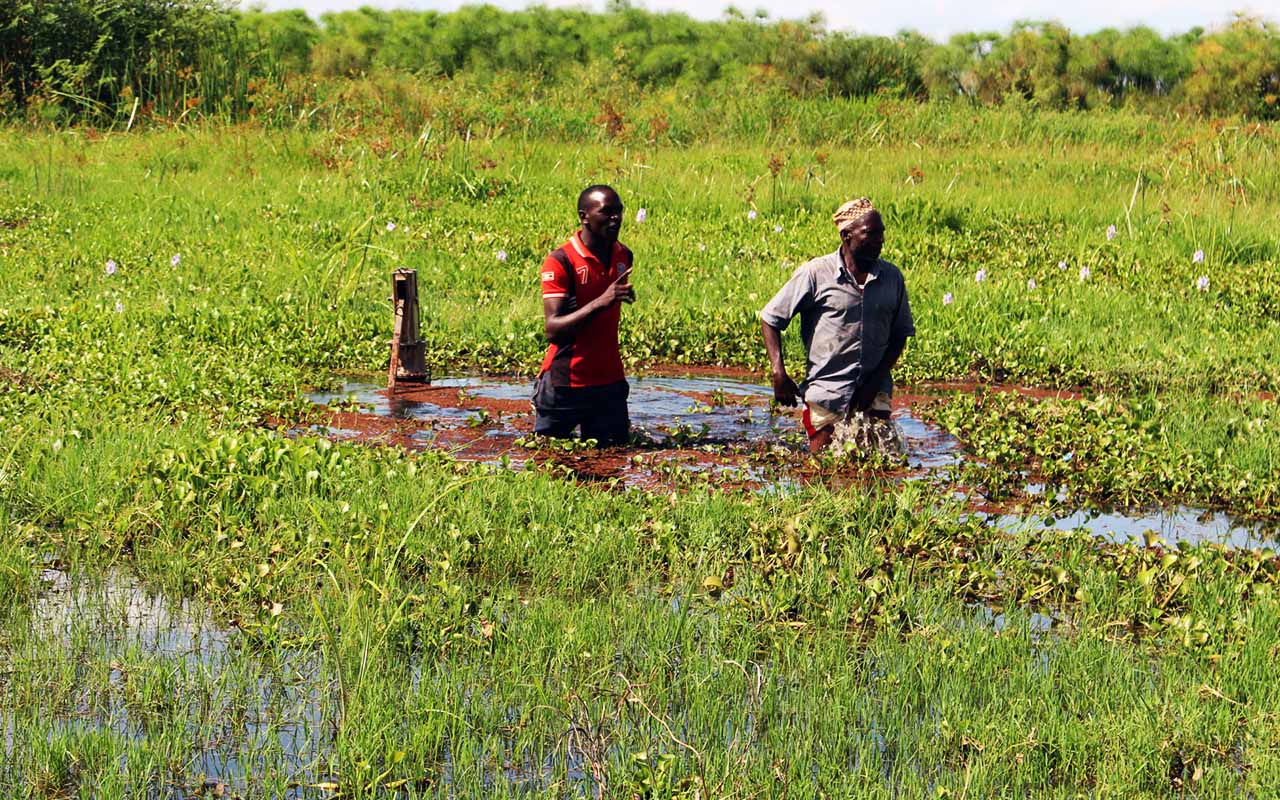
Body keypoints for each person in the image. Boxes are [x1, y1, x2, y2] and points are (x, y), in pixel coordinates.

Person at [759, 197, 915, 453]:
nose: (880, 240)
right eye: (870, 234)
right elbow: (770, 318)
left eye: (881, 233)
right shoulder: (816, 274)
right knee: (820, 466)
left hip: (875, 392)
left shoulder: (892, 278)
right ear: (846, 235)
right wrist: (779, 373)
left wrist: (874, 381)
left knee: (881, 466)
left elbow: (900, 335)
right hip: (827, 393)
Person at [532, 184, 636, 445]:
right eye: (606, 212)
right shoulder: (561, 261)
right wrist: (602, 301)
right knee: (548, 458)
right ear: (584, 216)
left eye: (619, 211)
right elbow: (553, 329)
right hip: (565, 383)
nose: (616, 218)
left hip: (609, 381)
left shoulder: (624, 255)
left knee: (615, 460)